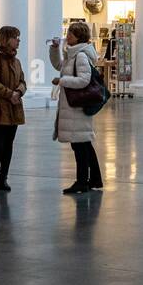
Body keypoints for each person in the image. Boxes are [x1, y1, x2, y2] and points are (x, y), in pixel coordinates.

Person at [49, 21, 104, 194]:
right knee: (84, 144)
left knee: (80, 146)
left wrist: (62, 81)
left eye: (71, 34)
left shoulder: (80, 56)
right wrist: (54, 49)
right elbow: (59, 65)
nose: (68, 36)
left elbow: (83, 80)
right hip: (73, 107)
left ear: (78, 36)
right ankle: (94, 179)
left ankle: (82, 181)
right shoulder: (72, 54)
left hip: (76, 108)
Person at [0, 26, 26, 191]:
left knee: (9, 144)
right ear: (6, 39)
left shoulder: (16, 61)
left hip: (13, 108)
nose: (18, 41)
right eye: (16, 37)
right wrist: (10, 94)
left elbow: (22, 81)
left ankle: (3, 177)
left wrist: (19, 91)